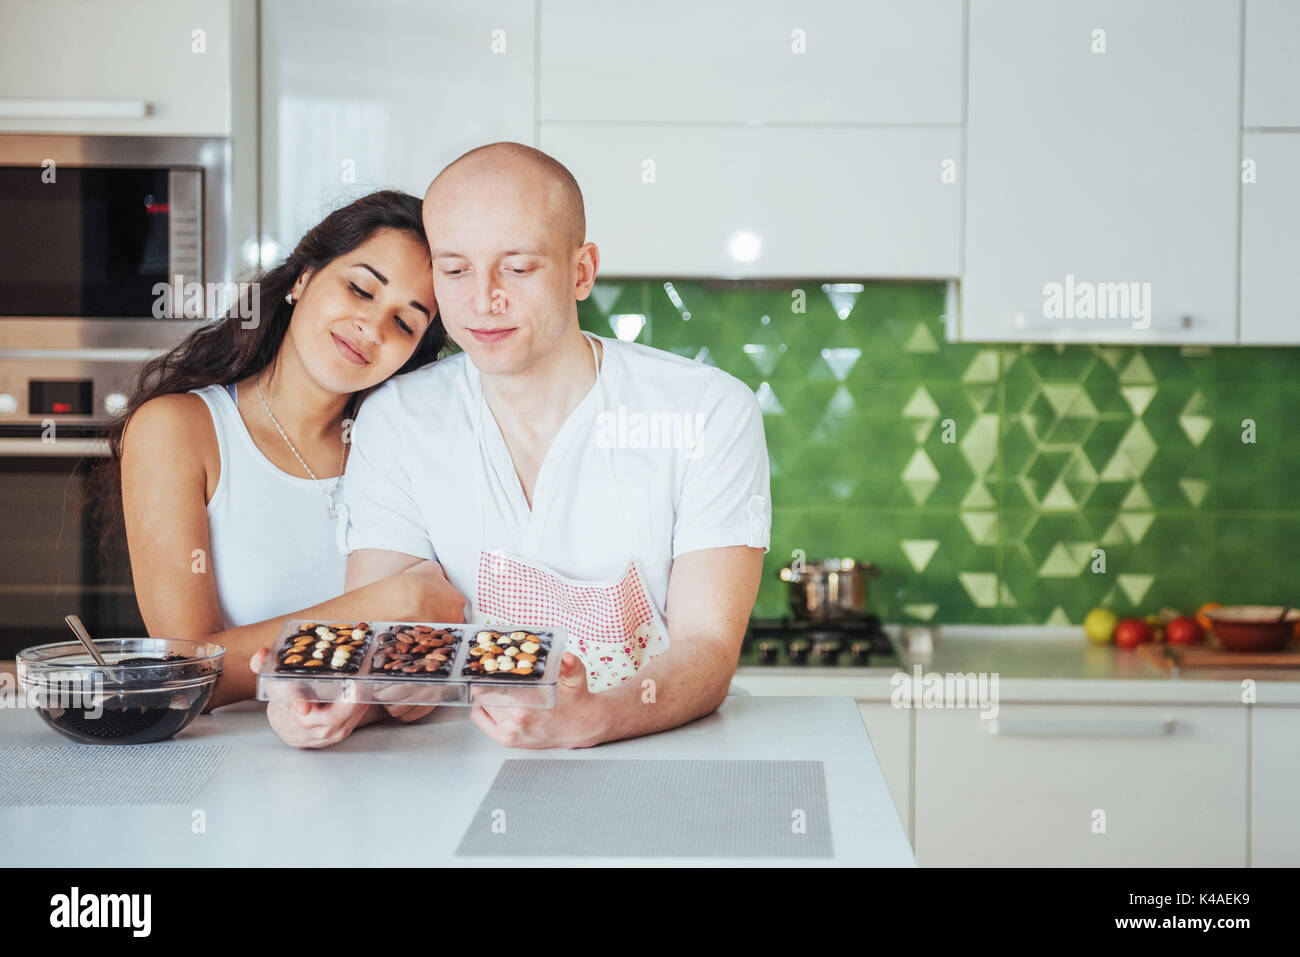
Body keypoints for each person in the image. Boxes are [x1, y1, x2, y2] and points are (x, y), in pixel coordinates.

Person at [256, 143, 771, 749]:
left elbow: (707, 648)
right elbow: (395, 649)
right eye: (454, 270)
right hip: (456, 774)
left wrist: (593, 718)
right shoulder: (396, 418)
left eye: (518, 268)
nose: (482, 299)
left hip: (655, 759)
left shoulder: (706, 410)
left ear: (581, 271)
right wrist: (335, 698)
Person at [101, 190, 467, 712]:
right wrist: (382, 606)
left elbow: (422, 662)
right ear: (303, 277)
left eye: (406, 323)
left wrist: (402, 694)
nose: (373, 328)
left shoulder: (407, 450)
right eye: (361, 289)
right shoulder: (179, 430)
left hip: (383, 758)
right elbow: (184, 671)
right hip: (228, 766)